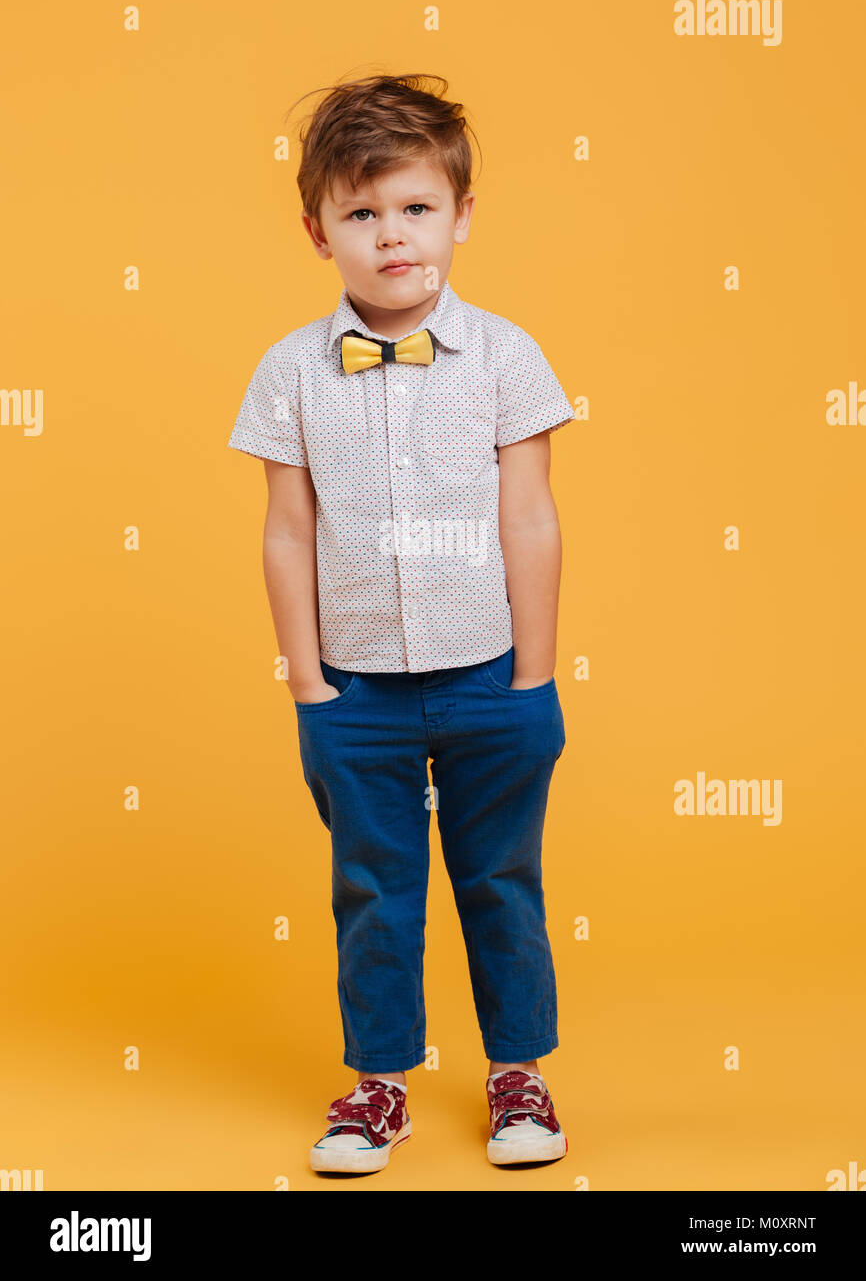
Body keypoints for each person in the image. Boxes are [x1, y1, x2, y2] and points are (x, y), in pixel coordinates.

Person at [228, 72, 576, 1173]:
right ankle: (379, 1086)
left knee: (500, 879)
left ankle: (518, 1072)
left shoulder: (508, 357)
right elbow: (288, 532)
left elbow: (528, 514)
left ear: (461, 215)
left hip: (488, 678)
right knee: (375, 890)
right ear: (316, 227)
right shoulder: (289, 370)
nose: (391, 236)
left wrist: (534, 678)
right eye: (361, 212)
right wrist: (305, 685)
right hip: (355, 686)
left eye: (416, 208)